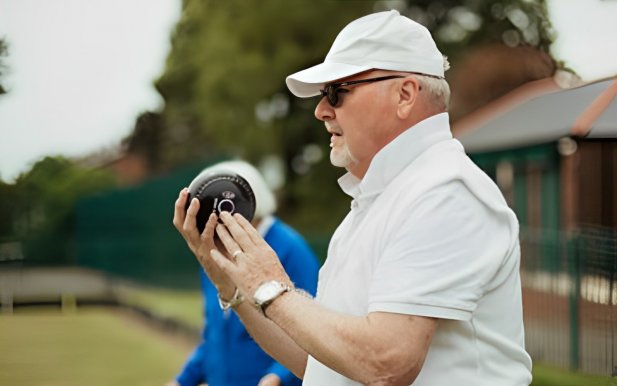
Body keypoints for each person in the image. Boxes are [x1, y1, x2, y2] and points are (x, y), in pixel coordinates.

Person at [173, 10, 533, 386]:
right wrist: (235, 286)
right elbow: (317, 362)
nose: (321, 109)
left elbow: (387, 362)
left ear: (405, 95)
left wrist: (271, 286)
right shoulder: (383, 198)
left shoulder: (445, 190)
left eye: (336, 92)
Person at [168, 160, 319, 386]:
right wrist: (182, 380)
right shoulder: (215, 249)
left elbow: (314, 326)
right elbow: (215, 333)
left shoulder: (289, 247)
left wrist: (278, 377)